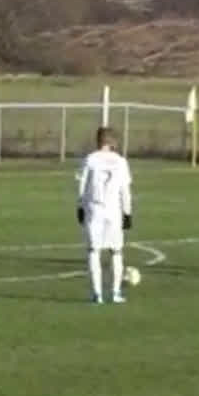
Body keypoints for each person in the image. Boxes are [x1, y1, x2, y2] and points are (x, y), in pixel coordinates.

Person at [75, 126, 134, 304]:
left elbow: (81, 185)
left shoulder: (90, 160)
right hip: (113, 211)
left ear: (98, 141)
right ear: (112, 142)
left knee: (94, 251)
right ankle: (115, 293)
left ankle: (97, 294)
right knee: (116, 251)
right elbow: (125, 191)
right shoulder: (121, 161)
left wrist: (80, 207)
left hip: (95, 210)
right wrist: (128, 212)